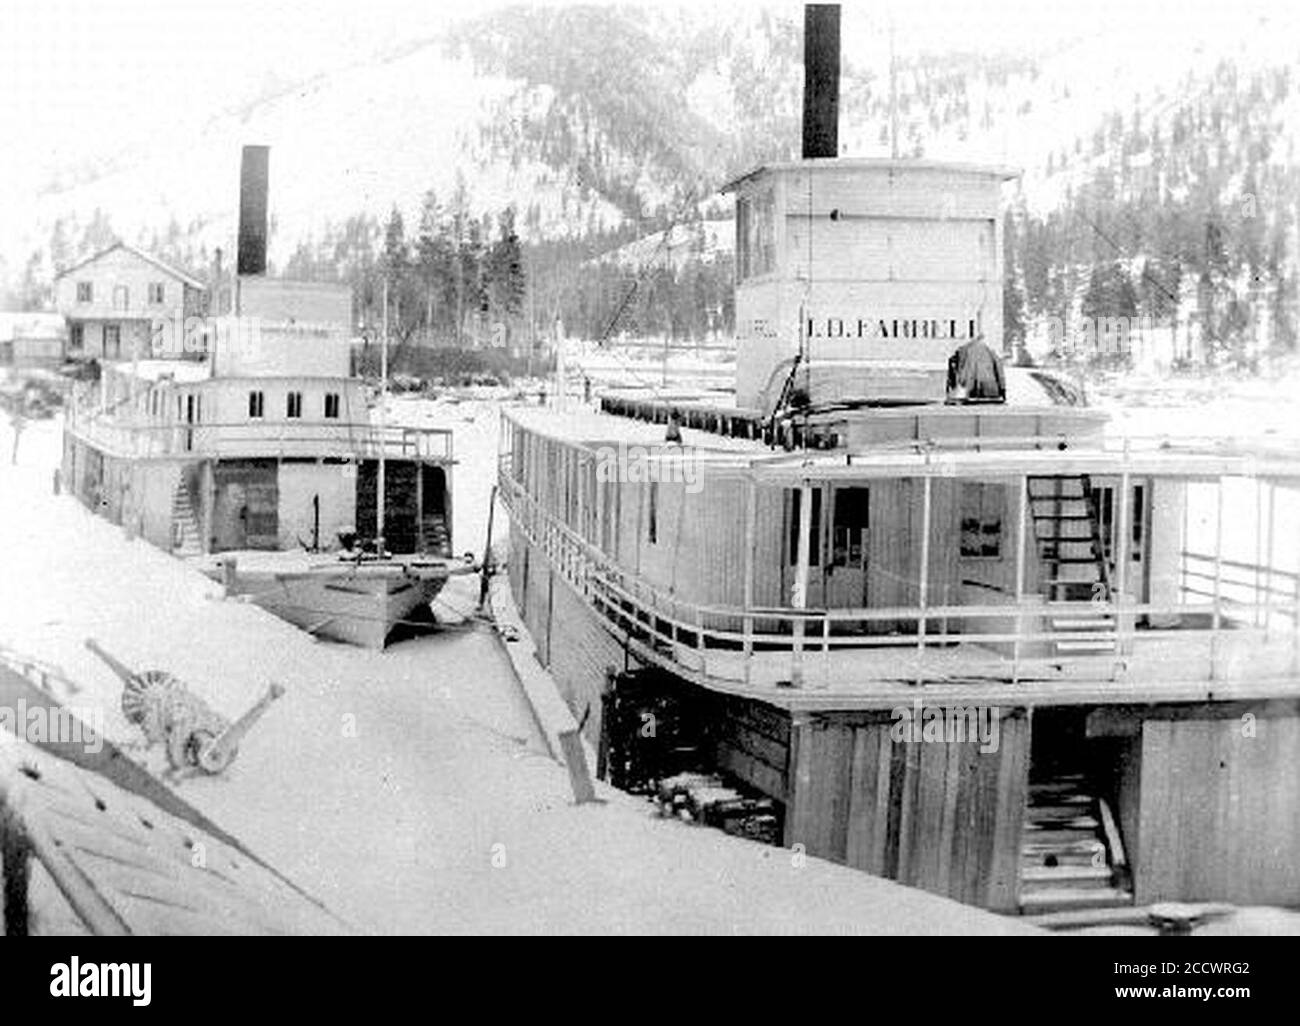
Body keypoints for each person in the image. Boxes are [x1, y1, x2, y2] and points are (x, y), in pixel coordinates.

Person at [946, 333, 1006, 403]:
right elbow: (999, 370)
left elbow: (962, 379)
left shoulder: (965, 351)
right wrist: (1002, 391)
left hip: (972, 390)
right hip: (991, 391)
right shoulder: (990, 351)